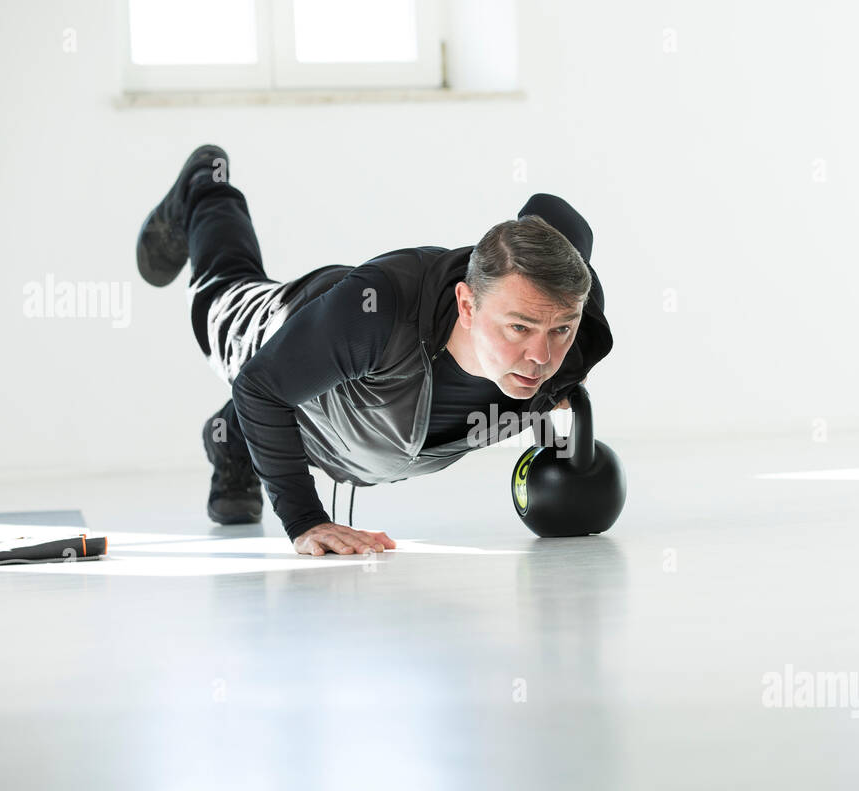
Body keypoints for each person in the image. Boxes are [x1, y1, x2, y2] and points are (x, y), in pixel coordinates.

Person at [135, 145, 613, 557]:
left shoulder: (571, 323)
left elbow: (555, 216)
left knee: (286, 398)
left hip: (339, 407)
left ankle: (233, 439)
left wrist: (567, 440)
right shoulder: (378, 315)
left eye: (560, 330)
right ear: (467, 305)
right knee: (222, 289)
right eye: (518, 328)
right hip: (298, 325)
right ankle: (204, 190)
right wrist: (305, 521)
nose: (540, 356)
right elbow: (259, 388)